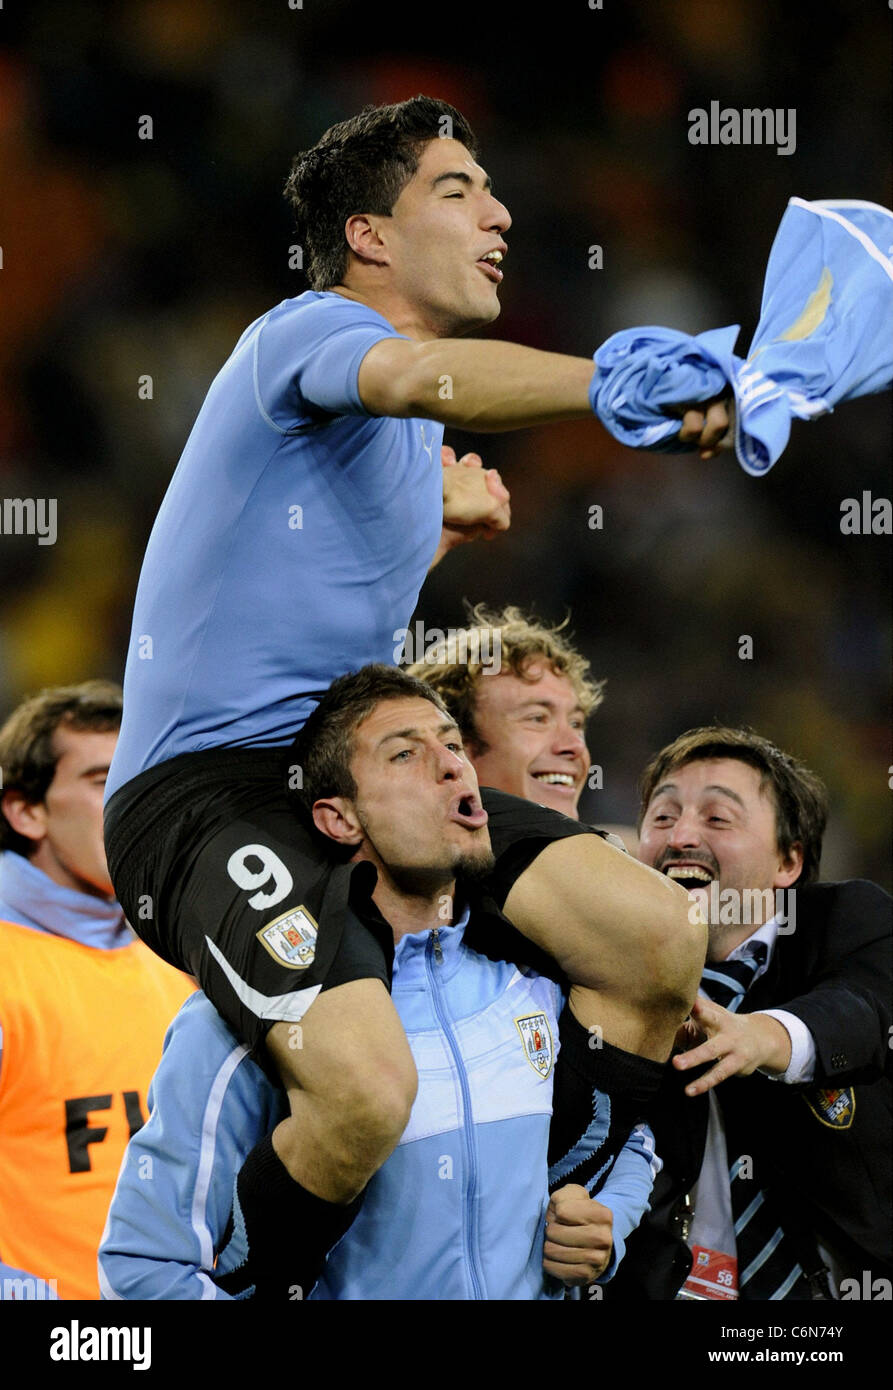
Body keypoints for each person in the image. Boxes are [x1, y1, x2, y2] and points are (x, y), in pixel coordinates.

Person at [103, 95, 712, 1300]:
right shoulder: (306, 333)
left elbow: (300, 576)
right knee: (367, 1084)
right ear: (369, 235)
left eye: (491, 188)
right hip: (203, 794)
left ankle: (548, 1211)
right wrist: (611, 382)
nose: (498, 213)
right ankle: (253, 1286)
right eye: (457, 189)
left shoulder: (392, 440)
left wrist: (441, 528)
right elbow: (423, 370)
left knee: (656, 940)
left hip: (349, 770)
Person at [99, 667, 662, 1300]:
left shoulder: (533, 976)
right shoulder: (253, 1019)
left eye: (451, 744)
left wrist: (609, 1218)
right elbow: (144, 1270)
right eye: (404, 754)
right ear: (339, 820)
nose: (451, 766)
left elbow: (629, 1138)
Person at [608, 726, 892, 1301]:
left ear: (788, 861)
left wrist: (764, 1037)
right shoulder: (603, 975)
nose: (681, 836)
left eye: (717, 819)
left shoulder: (845, 920)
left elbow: (866, 1008)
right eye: (661, 818)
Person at [0, 682, 193, 1301]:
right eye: (99, 779)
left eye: (139, 776)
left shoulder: (179, 960)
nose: (128, 803)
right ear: (25, 811)